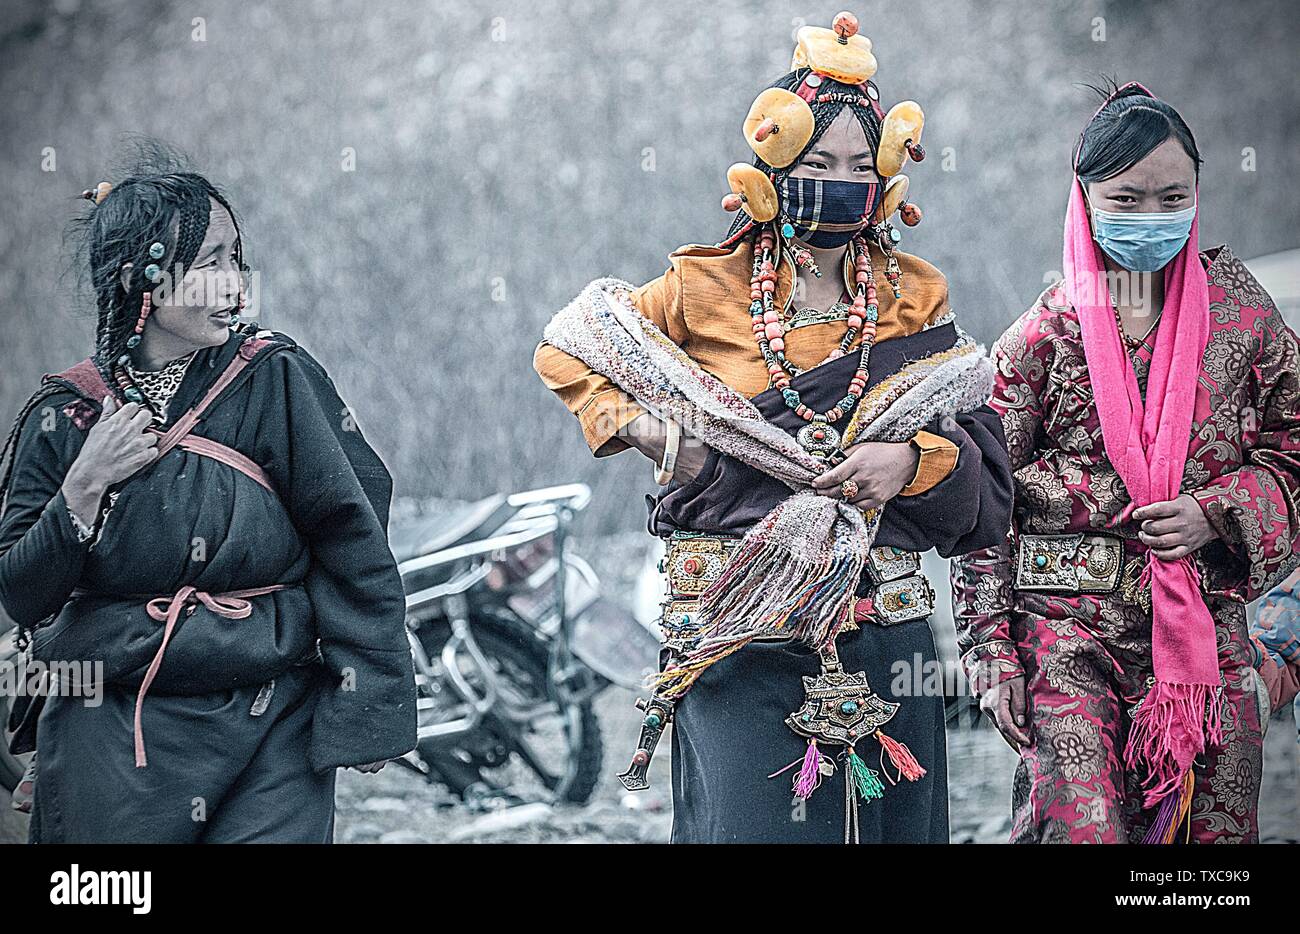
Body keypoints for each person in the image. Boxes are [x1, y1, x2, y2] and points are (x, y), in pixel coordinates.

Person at [534, 13, 1010, 843]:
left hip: (879, 622)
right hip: (735, 623)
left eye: (862, 165)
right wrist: (647, 433)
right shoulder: (700, 285)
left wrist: (910, 460)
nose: (841, 180)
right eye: (818, 162)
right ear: (771, 166)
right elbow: (571, 343)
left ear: (889, 179)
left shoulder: (915, 292)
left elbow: (977, 446)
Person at [0, 149, 417, 842]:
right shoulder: (66, 415)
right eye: (210, 264)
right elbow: (21, 594)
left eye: (237, 260)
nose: (235, 286)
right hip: (111, 728)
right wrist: (83, 487)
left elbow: (352, 532)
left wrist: (367, 699)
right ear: (143, 279)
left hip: (269, 714)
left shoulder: (274, 378)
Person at [951, 82, 1300, 844]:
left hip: (1207, 636)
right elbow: (981, 505)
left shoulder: (1243, 318)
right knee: (1081, 827)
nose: (1150, 218)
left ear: (1198, 192)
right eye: (1126, 199)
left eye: (1171, 197)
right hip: (1064, 636)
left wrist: (1217, 511)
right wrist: (993, 656)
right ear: (1084, 199)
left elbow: (1295, 450)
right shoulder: (1041, 338)